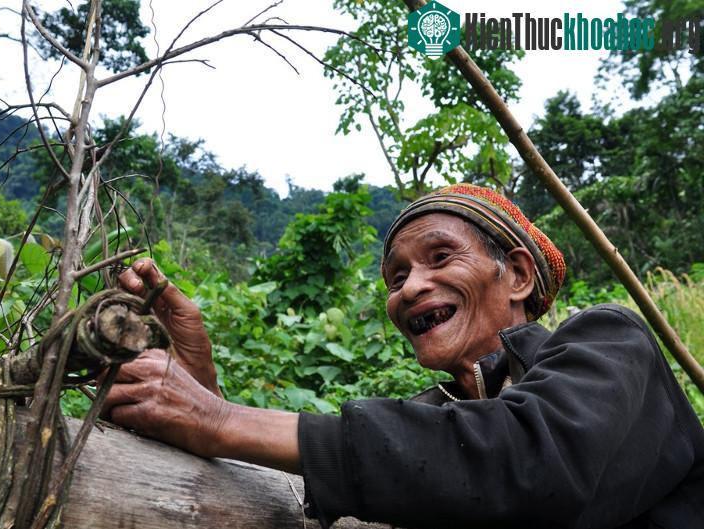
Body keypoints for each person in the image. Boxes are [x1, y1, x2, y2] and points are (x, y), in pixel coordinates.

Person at [101, 184, 704, 528]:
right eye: (396, 277)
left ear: (517, 274)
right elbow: (314, 486)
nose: (410, 287)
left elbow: (525, 464)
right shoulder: (426, 419)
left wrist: (220, 421)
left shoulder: (608, 343)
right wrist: (203, 396)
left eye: (440, 258)